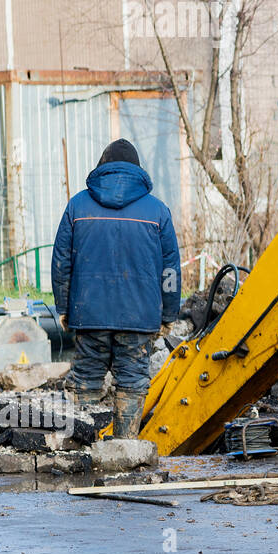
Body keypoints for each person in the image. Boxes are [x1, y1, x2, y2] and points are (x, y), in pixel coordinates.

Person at [51, 139, 180, 439]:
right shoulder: (158, 211)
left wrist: (63, 308)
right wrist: (169, 313)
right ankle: (124, 449)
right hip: (140, 319)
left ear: (101, 168)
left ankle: (85, 448)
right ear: (138, 170)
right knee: (132, 382)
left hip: (89, 315)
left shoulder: (77, 205)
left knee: (86, 380)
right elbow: (170, 268)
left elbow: (61, 262)